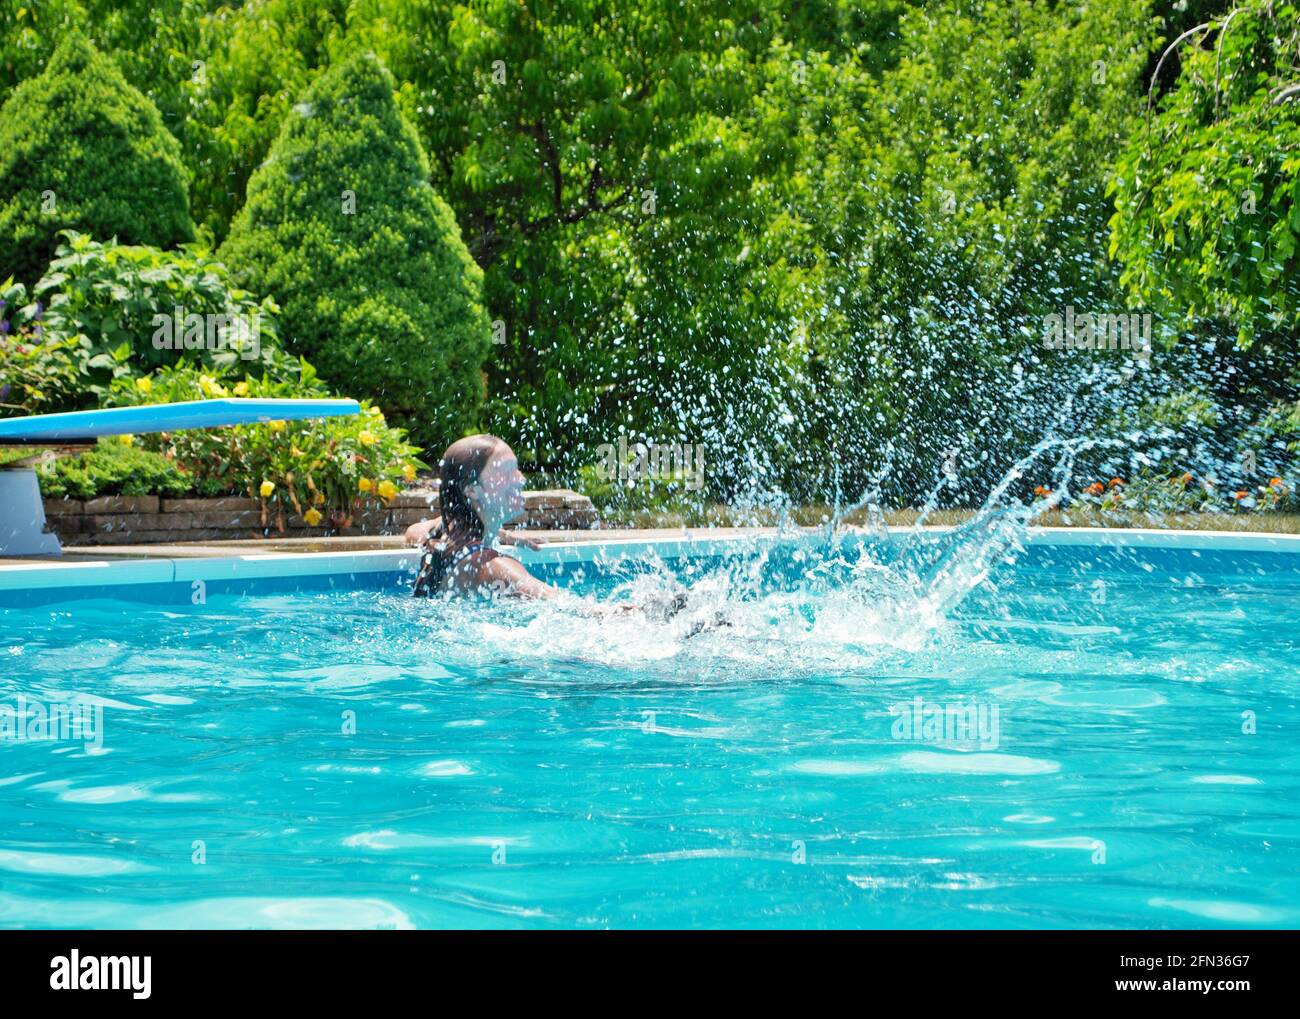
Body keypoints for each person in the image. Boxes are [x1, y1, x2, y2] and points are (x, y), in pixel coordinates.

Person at [412, 435, 556, 599]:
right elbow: (560, 603)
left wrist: (503, 534)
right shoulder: (492, 565)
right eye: (506, 472)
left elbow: (415, 530)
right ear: (472, 490)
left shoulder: (448, 537)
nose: (521, 479)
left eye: (516, 469)